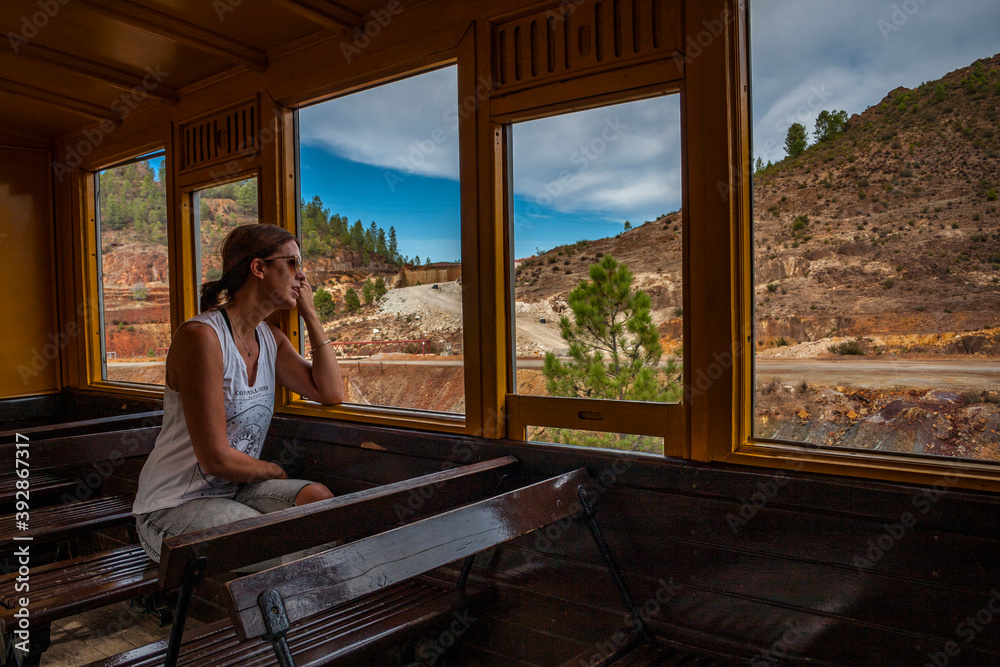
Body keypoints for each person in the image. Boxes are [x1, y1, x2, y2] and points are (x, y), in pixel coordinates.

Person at [133, 223, 345, 563]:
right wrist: (274, 471)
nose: (301, 275)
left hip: (233, 492)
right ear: (259, 268)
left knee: (320, 502)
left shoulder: (270, 339)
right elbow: (215, 458)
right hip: (171, 507)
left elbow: (331, 392)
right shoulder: (201, 337)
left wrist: (310, 313)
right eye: (292, 262)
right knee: (277, 543)